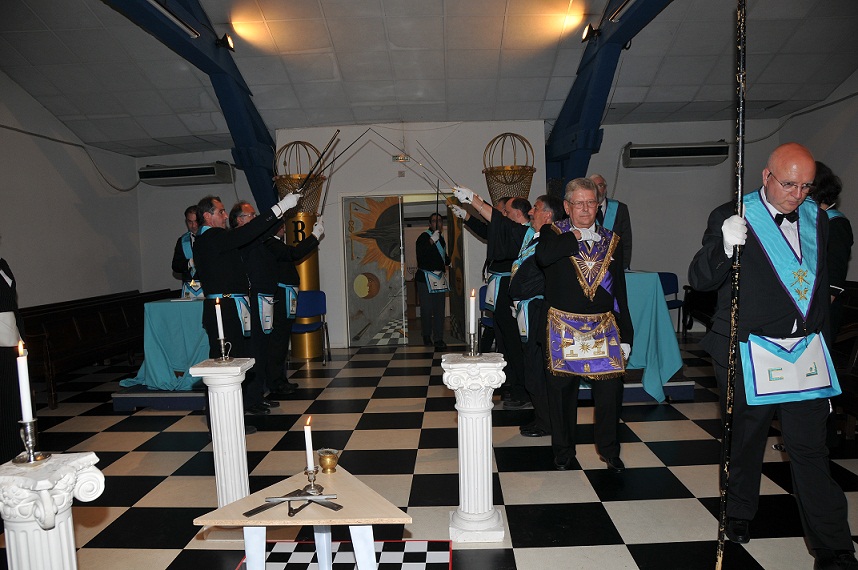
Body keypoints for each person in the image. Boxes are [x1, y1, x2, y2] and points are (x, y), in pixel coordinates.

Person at [688, 143, 857, 570]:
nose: (796, 195)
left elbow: (820, 292)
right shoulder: (733, 214)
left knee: (810, 449)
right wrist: (725, 247)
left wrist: (825, 354)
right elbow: (701, 279)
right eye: (788, 184)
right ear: (766, 176)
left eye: (805, 186)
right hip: (749, 349)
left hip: (804, 352)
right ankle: (739, 512)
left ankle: (833, 546)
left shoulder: (819, 219)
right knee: (745, 441)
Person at [536, 178, 633, 472]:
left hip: (603, 327)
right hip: (562, 327)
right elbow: (544, 257)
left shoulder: (611, 239)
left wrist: (626, 335)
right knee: (562, 395)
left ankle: (610, 451)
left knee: (610, 392)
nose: (586, 209)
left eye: (591, 202)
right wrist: (575, 236)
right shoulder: (552, 233)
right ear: (567, 207)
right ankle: (564, 452)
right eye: (579, 203)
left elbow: (619, 290)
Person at [193, 193, 299, 423]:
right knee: (225, 364)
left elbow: (251, 235)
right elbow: (247, 233)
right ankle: (220, 422)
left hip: (233, 306)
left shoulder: (217, 238)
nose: (225, 216)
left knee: (238, 362)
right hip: (224, 308)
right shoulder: (210, 237)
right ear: (207, 216)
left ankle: (235, 415)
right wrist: (279, 208)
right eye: (221, 212)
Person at [452, 195, 531, 409]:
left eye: (505, 212)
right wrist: (468, 217)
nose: (501, 215)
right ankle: (509, 382)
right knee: (504, 340)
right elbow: (488, 231)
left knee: (513, 341)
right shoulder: (509, 230)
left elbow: (493, 227)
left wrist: (473, 202)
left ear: (516, 213)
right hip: (500, 288)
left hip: (510, 289)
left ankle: (521, 389)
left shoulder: (524, 233)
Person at [265, 221, 323, 398]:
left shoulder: (276, 243)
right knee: (278, 341)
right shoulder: (270, 243)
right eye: (281, 226)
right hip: (280, 296)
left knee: (283, 341)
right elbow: (295, 253)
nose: (284, 229)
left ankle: (281, 379)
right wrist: (314, 236)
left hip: (287, 295)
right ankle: (276, 382)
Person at [810, 161, 853, 336]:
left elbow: (834, 278)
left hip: (821, 313)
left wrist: (813, 317)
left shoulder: (836, 224)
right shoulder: (810, 219)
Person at [0, 253, 25, 465]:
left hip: (11, 342)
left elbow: (12, 306)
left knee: (14, 401)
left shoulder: (2, 264)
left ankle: (16, 452)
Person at [415, 213, 450, 350]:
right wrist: (431, 241)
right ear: (429, 224)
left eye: (440, 220)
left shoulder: (441, 238)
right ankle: (426, 335)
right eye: (434, 221)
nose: (437, 223)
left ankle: (439, 338)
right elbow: (421, 254)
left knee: (439, 309)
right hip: (425, 278)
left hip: (438, 277)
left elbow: (442, 256)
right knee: (426, 309)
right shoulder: (423, 237)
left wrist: (448, 261)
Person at [589, 174, 633, 269]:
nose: (596, 190)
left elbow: (626, 241)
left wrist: (623, 266)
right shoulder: (582, 210)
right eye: (593, 186)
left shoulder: (620, 209)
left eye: (600, 186)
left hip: (616, 265)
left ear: (605, 189)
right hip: (590, 265)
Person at [171, 205, 203, 298]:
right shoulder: (182, 241)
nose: (193, 225)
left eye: (196, 221)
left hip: (209, 287)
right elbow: (175, 266)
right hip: (189, 290)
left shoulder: (211, 238)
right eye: (190, 222)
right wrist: (189, 263)